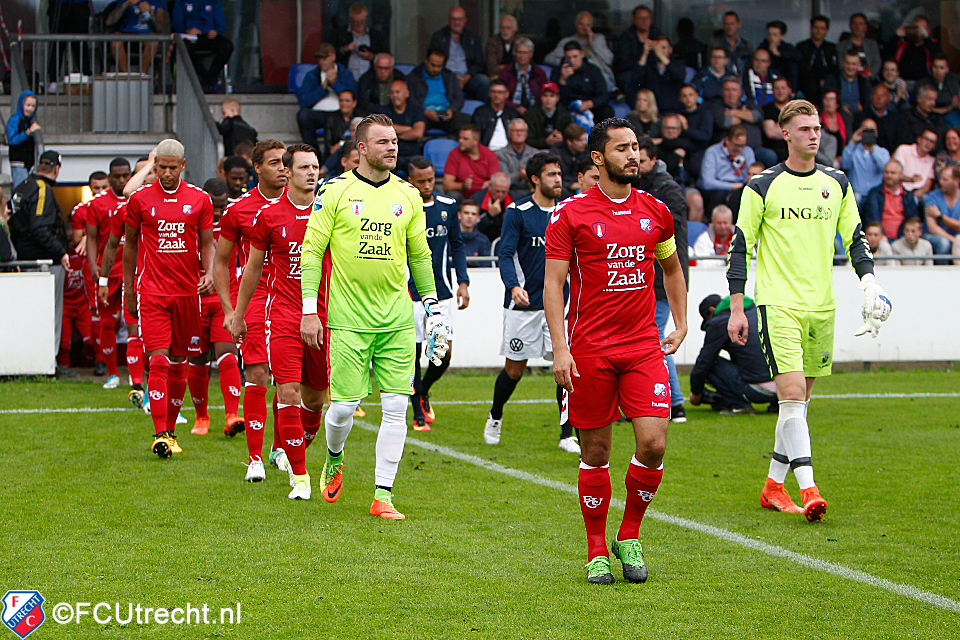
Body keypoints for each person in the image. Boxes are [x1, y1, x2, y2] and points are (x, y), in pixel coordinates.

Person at [726, 99, 890, 521]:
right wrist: (738, 308)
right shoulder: (761, 185)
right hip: (777, 303)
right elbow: (740, 246)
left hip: (823, 306)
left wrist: (868, 281)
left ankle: (772, 486)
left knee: (796, 406)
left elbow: (855, 237)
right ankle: (809, 488)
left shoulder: (836, 182)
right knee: (793, 395)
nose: (813, 135)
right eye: (804, 129)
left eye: (817, 128)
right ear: (785, 134)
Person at [544, 117, 686, 585]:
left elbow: (671, 268)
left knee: (654, 443)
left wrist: (682, 322)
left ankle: (629, 534)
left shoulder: (656, 211)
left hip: (644, 347)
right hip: (589, 351)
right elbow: (553, 284)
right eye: (622, 148)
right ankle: (595, 549)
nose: (633, 155)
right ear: (598, 158)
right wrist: (560, 349)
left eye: (636, 147)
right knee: (597, 450)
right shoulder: (570, 214)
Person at [300, 113, 443, 520]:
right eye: (383, 142)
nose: (393, 147)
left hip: (397, 320)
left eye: (395, 140)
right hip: (347, 320)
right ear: (361, 148)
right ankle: (333, 455)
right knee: (343, 409)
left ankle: (383, 494)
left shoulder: (409, 195)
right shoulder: (335, 191)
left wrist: (432, 306)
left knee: (397, 405)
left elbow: (419, 255)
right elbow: (312, 253)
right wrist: (311, 310)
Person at [231, 144, 327, 495]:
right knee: (287, 390)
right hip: (283, 315)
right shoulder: (269, 216)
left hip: (323, 316)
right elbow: (252, 269)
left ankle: (295, 447)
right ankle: (299, 477)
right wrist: (239, 314)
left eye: (315, 167)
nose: (312, 173)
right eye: (304, 167)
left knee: (315, 399)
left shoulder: (330, 212)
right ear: (288, 172)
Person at [122, 139, 215, 458]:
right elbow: (130, 246)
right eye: (160, 167)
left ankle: (171, 432)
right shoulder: (139, 200)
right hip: (153, 292)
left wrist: (209, 272)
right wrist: (129, 288)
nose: (166, 173)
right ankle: (160, 433)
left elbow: (207, 242)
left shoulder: (200, 200)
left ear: (183, 165)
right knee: (158, 359)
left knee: (180, 361)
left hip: (189, 292)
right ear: (155, 165)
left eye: (172, 167)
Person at [484, 152, 578, 453]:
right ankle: (495, 414)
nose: (558, 179)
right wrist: (513, 286)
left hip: (559, 306)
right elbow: (506, 253)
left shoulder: (568, 211)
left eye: (560, 173)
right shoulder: (518, 211)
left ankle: (567, 434)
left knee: (564, 367)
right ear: (535, 178)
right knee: (514, 369)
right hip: (524, 305)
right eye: (551, 174)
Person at [214, 139, 289, 480]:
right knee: (258, 373)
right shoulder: (239, 209)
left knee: (290, 380)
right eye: (275, 162)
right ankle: (255, 457)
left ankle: (281, 449)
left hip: (294, 299)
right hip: (256, 299)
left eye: (286, 162)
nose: (283, 168)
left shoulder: (310, 206)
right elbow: (220, 262)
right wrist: (231, 310)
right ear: (257, 167)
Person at [406, 156, 470, 431]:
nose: (427, 185)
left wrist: (463, 281)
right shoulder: (402, 209)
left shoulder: (448, 207)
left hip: (441, 294)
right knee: (413, 355)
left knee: (441, 355)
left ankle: (423, 392)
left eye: (431, 179)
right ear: (410, 181)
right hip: (409, 295)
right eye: (421, 181)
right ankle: (418, 412)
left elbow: (457, 245)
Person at [637, 137, 689, 424]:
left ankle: (675, 402)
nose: (637, 165)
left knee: (654, 338)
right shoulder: (647, 186)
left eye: (642, 160)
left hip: (662, 278)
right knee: (653, 337)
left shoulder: (667, 190)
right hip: (653, 278)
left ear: (653, 161)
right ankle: (673, 401)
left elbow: (672, 230)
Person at [8, 150, 72, 375]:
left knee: (28, 315)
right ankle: (49, 364)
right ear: (57, 168)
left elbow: (14, 222)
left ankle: (31, 362)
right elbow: (40, 228)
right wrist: (61, 252)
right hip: (45, 263)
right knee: (50, 314)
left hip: (24, 262)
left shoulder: (22, 186)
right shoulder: (42, 189)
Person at [85, 157, 132, 390]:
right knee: (107, 321)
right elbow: (92, 237)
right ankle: (112, 373)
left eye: (126, 175)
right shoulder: (98, 203)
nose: (121, 180)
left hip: (134, 271)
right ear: (109, 176)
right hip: (109, 271)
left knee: (135, 322)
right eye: (117, 176)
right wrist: (94, 264)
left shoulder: (139, 199)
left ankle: (137, 374)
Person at [691, 294, 777, 414]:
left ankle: (740, 405)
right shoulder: (757, 310)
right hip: (785, 386)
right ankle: (776, 405)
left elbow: (703, 363)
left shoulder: (720, 321)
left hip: (757, 391)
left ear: (712, 310)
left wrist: (696, 392)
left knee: (711, 363)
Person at [296, 43, 357, 151]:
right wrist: (322, 88)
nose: (322, 61)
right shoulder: (312, 75)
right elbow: (303, 101)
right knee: (303, 115)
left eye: (325, 57)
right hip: (319, 114)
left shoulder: (346, 73)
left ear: (333, 57)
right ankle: (313, 152)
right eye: (319, 58)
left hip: (340, 113)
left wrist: (334, 83)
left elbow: (353, 96)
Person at [544, 11, 617, 93]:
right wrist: (567, 62)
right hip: (575, 79)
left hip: (600, 78)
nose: (585, 27)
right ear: (576, 24)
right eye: (582, 24)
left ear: (591, 26)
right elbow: (548, 58)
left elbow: (609, 60)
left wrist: (594, 44)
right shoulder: (567, 42)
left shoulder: (598, 39)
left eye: (588, 25)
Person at [172, 0, 234, 93]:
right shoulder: (181, 2)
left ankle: (211, 77)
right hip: (190, 37)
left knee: (227, 46)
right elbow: (176, 23)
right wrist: (187, 30)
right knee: (185, 49)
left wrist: (215, 32)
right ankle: (204, 76)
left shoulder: (214, 2)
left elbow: (221, 25)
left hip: (209, 37)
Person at [429, 6, 489, 100]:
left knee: (483, 81)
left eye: (460, 19)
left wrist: (467, 77)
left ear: (465, 20)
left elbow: (480, 63)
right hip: (446, 77)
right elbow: (433, 61)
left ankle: (483, 113)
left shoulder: (473, 37)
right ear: (449, 20)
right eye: (454, 19)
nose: (457, 22)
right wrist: (452, 78)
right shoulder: (439, 36)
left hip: (467, 78)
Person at [406, 48, 469, 137]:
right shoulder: (414, 76)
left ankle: (451, 145)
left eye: (439, 66)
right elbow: (410, 99)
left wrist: (451, 110)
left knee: (468, 123)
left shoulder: (449, 76)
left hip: (445, 112)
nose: (436, 69)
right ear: (426, 61)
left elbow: (459, 98)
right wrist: (425, 111)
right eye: (433, 65)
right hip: (424, 114)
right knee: (412, 124)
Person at [699, 125, 756, 216]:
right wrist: (733, 186)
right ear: (727, 140)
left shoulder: (747, 151)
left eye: (742, 145)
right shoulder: (712, 152)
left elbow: (753, 174)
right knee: (719, 195)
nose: (740, 149)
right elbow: (708, 182)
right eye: (736, 145)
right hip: (718, 188)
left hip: (741, 186)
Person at [552, 41, 614, 124]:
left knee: (606, 111)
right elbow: (555, 97)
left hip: (589, 105)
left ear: (582, 54)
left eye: (575, 57)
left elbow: (603, 95)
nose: (572, 61)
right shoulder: (558, 71)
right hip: (569, 107)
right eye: (568, 58)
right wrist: (563, 80)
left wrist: (590, 103)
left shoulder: (593, 70)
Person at [861, 159, 919, 241]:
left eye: (893, 173)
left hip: (903, 239)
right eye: (887, 172)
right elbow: (872, 217)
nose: (889, 175)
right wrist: (881, 235)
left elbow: (912, 219)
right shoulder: (875, 193)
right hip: (880, 240)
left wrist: (902, 237)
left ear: (900, 175)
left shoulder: (907, 196)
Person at [442, 124, 500, 201]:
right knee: (452, 195)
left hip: (482, 195)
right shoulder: (454, 154)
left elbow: (496, 180)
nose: (460, 141)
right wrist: (463, 185)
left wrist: (490, 183)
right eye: (460, 138)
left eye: (465, 139)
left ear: (475, 141)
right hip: (462, 195)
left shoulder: (489, 154)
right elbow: (446, 185)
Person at [331, 3, 387, 82]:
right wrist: (345, 49)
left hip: (371, 81)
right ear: (350, 19)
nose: (359, 24)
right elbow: (330, 55)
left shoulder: (376, 36)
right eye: (356, 21)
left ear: (366, 19)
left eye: (362, 21)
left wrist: (372, 57)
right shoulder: (339, 34)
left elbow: (386, 56)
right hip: (346, 79)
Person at [629, 37, 685, 115]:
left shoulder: (677, 64)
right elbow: (635, 79)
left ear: (670, 49)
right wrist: (645, 53)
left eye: (664, 48)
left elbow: (679, 75)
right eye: (657, 47)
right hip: (651, 112)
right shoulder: (649, 66)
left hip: (672, 111)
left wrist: (661, 56)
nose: (660, 50)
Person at [107, 0, 166, 74]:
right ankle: (126, 75)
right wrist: (124, 5)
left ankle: (142, 75)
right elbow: (109, 21)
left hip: (147, 34)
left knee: (153, 42)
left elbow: (159, 26)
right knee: (115, 41)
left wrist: (151, 12)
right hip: (126, 33)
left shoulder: (158, 1)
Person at [615, 4, 664, 92]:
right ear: (634, 20)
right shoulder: (626, 37)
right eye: (641, 18)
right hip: (632, 72)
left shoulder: (657, 34)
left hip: (653, 71)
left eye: (647, 18)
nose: (644, 21)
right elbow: (624, 63)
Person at [840, 119, 891, 203]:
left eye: (872, 130)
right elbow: (844, 165)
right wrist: (853, 141)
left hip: (876, 194)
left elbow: (884, 168)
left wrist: (872, 150)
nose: (869, 133)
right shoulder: (853, 150)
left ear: (877, 133)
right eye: (866, 130)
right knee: (856, 198)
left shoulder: (883, 152)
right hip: (857, 194)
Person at [378, 80, 425, 168]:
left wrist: (394, 134)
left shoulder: (416, 109)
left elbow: (418, 133)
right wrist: (408, 129)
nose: (394, 95)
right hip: (391, 156)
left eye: (397, 92)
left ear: (407, 93)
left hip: (412, 155)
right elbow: (383, 131)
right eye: (392, 92)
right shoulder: (383, 111)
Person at [883, 15, 941, 82]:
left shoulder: (931, 44)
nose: (918, 32)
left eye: (921, 29)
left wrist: (926, 38)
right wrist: (896, 36)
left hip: (924, 81)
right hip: (902, 80)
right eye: (915, 28)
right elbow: (886, 53)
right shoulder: (903, 43)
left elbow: (938, 55)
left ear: (928, 30)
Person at [796, 15, 838, 108]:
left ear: (826, 31)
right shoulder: (802, 47)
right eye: (816, 27)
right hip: (807, 84)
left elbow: (835, 69)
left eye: (822, 28)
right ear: (811, 29)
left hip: (828, 83)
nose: (819, 31)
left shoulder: (831, 48)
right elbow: (801, 69)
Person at [499, 38, 547, 115]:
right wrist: (516, 108)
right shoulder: (506, 71)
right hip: (511, 110)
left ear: (531, 54)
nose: (522, 56)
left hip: (535, 111)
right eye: (519, 52)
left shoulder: (539, 73)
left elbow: (544, 95)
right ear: (515, 53)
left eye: (525, 53)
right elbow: (501, 95)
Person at [922, 165, 960, 258]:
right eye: (941, 178)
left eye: (945, 180)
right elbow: (932, 228)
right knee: (944, 243)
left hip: (957, 237)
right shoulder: (933, 196)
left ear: (956, 181)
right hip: (933, 236)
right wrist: (952, 239)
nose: (940, 182)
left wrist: (940, 216)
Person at [523, 82, 573, 150]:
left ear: (557, 98)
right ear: (541, 97)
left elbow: (571, 137)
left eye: (552, 96)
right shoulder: (530, 114)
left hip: (561, 150)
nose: (548, 99)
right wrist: (546, 141)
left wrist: (562, 139)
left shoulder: (565, 114)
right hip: (537, 150)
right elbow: (528, 140)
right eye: (545, 95)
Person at [7, 91, 41, 191]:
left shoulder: (30, 121)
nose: (30, 109)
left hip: (29, 165)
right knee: (21, 192)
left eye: (33, 106)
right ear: (22, 104)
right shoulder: (14, 120)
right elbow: (12, 140)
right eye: (28, 105)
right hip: (19, 163)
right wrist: (28, 132)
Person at [894, 84, 944, 150]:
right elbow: (904, 140)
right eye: (929, 99)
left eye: (934, 100)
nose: (933, 103)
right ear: (919, 98)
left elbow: (940, 141)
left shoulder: (938, 119)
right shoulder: (905, 116)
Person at [473, 80, 519, 151]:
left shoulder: (513, 113)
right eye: (493, 92)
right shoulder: (481, 112)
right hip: (487, 152)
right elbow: (475, 136)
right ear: (489, 94)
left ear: (507, 94)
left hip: (509, 154)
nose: (496, 95)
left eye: (500, 92)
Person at [496, 118, 539, 194]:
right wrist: (519, 175)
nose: (519, 133)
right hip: (509, 193)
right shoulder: (500, 154)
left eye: (522, 131)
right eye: (515, 130)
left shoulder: (535, 153)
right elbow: (503, 179)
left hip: (532, 192)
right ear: (509, 133)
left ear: (526, 133)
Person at [824, 51, 872, 117]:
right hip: (837, 116)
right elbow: (825, 100)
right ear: (843, 63)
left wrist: (862, 110)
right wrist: (840, 108)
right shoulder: (832, 79)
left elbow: (868, 103)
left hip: (860, 117)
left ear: (859, 65)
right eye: (848, 63)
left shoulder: (864, 82)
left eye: (853, 64)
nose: (850, 67)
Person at [893, 129, 938, 199]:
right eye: (926, 139)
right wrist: (910, 179)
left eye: (932, 142)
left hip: (919, 195)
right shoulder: (903, 149)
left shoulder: (932, 160)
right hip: (899, 189)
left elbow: (928, 185)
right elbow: (895, 174)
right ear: (919, 139)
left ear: (934, 146)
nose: (928, 143)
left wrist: (916, 195)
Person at [852, 85, 898, 152]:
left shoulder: (895, 118)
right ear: (871, 96)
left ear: (888, 99)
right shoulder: (860, 116)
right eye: (876, 95)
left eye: (882, 96)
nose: (879, 98)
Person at [758, 20, 800, 93]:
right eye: (769, 34)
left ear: (782, 36)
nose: (771, 38)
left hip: (782, 78)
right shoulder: (763, 47)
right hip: (766, 78)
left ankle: (792, 92)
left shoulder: (787, 48)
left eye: (774, 35)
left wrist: (779, 54)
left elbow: (798, 57)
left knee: (792, 64)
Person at [325, 90, 366, 162]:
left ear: (354, 103)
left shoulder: (362, 116)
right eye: (341, 100)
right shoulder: (331, 119)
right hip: (338, 154)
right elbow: (330, 147)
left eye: (347, 101)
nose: (344, 103)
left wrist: (342, 143)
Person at [837, 13, 881, 79]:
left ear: (865, 27)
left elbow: (877, 62)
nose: (857, 27)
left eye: (860, 24)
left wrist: (870, 74)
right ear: (850, 26)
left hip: (869, 79)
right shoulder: (841, 46)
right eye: (855, 23)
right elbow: (841, 65)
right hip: (849, 79)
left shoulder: (872, 44)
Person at [761, 77, 794, 163]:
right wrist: (794, 129)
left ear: (789, 90)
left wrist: (778, 126)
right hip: (775, 150)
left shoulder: (796, 108)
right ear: (772, 90)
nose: (780, 91)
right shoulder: (767, 109)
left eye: (783, 88)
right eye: (777, 88)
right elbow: (771, 133)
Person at [921, 55, 960, 128]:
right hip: (929, 118)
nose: (938, 70)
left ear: (947, 69)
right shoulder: (923, 83)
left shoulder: (955, 82)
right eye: (935, 67)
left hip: (952, 119)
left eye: (941, 68)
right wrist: (949, 108)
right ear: (931, 67)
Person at [473, 172, 514, 241]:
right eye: (497, 191)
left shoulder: (516, 199)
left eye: (503, 192)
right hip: (483, 239)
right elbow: (473, 227)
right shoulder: (477, 199)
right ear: (490, 186)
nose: (500, 195)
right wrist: (489, 215)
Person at [550, 123, 588, 196]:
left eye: (584, 139)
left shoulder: (588, 151)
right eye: (580, 140)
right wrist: (571, 185)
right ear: (569, 142)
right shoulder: (556, 152)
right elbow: (554, 176)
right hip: (563, 188)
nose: (584, 143)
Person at [712, 11, 753, 76]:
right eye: (727, 24)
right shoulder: (715, 44)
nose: (729, 27)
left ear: (738, 24)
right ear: (723, 25)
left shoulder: (746, 45)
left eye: (732, 24)